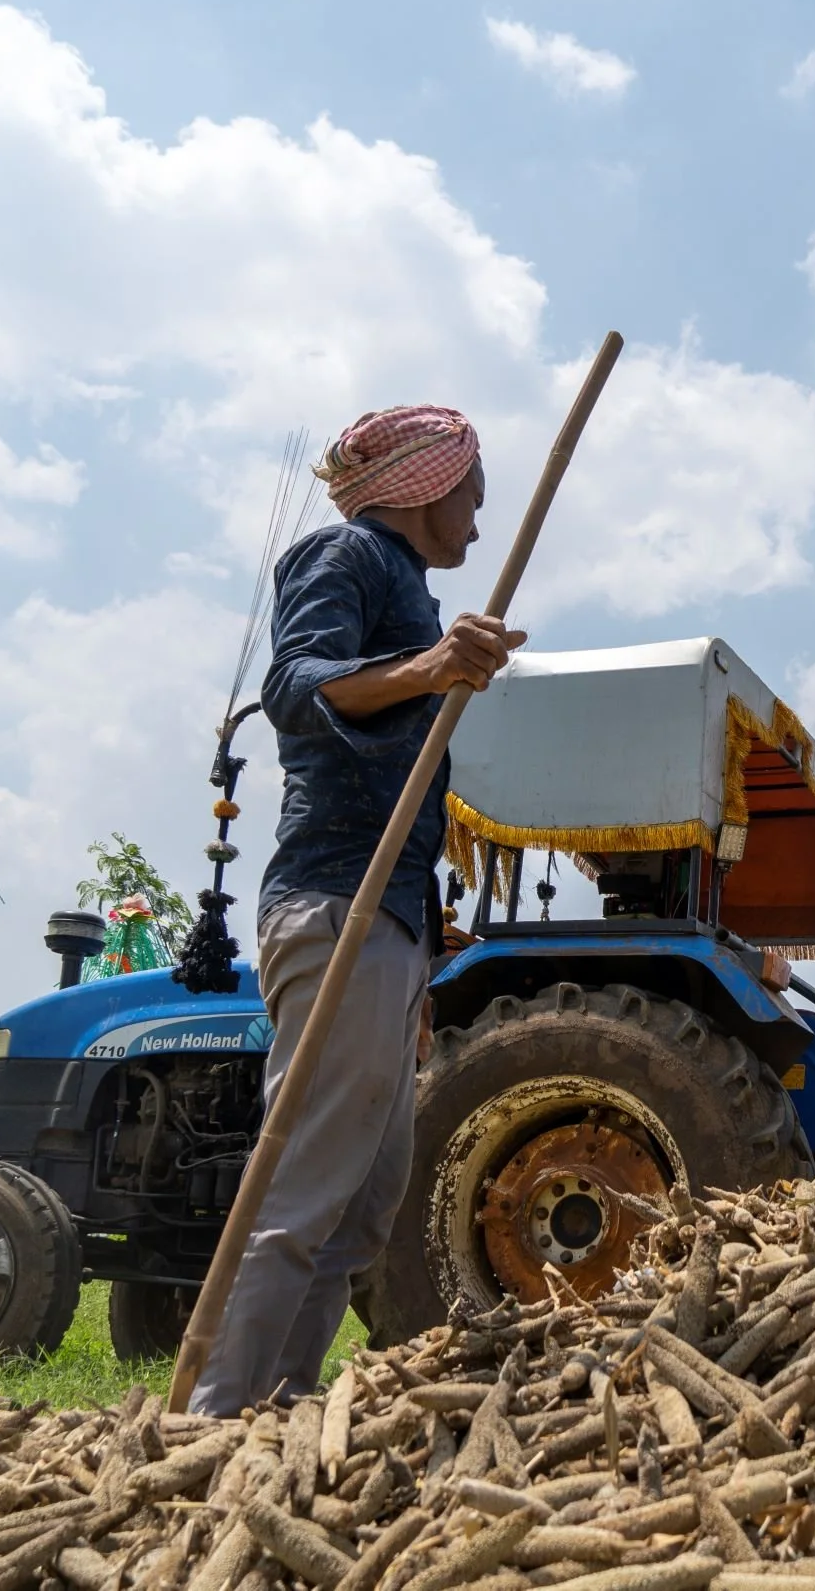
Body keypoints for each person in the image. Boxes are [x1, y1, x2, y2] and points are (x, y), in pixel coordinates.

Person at [189, 404, 523, 1415]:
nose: (479, 518)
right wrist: (432, 666)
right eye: (471, 492)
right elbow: (295, 686)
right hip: (339, 899)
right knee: (305, 1186)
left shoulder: (410, 589)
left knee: (366, 1201)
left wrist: (415, 965)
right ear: (426, 485)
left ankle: (281, 1404)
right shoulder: (345, 555)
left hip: (388, 925)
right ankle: (215, 1413)